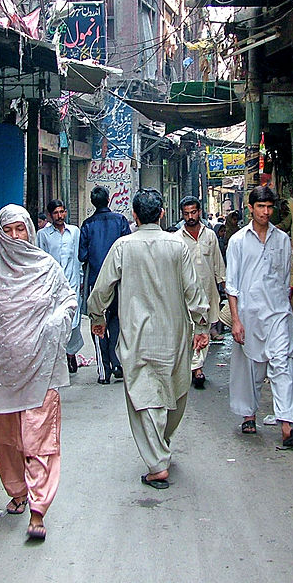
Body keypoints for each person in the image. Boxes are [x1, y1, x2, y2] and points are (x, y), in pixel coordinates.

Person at [0, 205, 77, 541]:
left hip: (41, 371)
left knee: (39, 439)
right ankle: (17, 491)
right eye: (9, 231)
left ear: (30, 232)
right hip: (0, 373)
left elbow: (68, 300)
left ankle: (38, 508)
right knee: (5, 440)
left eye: (21, 229)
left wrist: (56, 321)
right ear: (0, 233)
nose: (16, 237)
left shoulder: (46, 269)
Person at [87, 188, 209, 489]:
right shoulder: (178, 246)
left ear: (135, 216)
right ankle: (161, 448)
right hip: (175, 332)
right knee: (175, 390)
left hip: (136, 334)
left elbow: (101, 290)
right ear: (163, 214)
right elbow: (193, 290)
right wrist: (202, 326)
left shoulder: (123, 246)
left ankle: (157, 461)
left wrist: (98, 317)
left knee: (143, 396)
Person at [226, 186, 293, 448]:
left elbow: (285, 279)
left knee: (283, 364)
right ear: (250, 208)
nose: (265, 212)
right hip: (249, 315)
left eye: (269, 207)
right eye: (260, 207)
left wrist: (286, 309)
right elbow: (232, 284)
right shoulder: (238, 241)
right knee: (252, 368)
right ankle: (249, 414)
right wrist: (236, 321)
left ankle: (287, 425)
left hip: (278, 314)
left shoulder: (281, 239)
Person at [78, 185, 130, 384]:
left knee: (98, 324)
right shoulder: (120, 221)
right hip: (119, 282)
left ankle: (103, 371)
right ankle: (118, 363)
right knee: (118, 321)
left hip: (96, 283)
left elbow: (81, 255)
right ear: (109, 200)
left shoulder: (87, 225)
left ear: (93, 203)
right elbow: (127, 248)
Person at [174, 195, 226, 389]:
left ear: (199, 212)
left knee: (203, 329)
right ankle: (191, 367)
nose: (190, 217)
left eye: (193, 212)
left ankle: (198, 369)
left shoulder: (210, 235)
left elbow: (217, 263)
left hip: (207, 291)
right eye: (186, 214)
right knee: (187, 330)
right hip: (184, 294)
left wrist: (223, 285)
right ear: (182, 215)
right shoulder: (177, 239)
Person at [37, 200, 83, 373]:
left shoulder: (74, 232)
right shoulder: (43, 235)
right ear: (50, 215)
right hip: (52, 285)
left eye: (62, 212)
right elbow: (40, 259)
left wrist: (80, 281)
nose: (59, 216)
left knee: (73, 321)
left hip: (72, 284)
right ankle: (59, 357)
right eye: (56, 213)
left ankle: (71, 354)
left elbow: (78, 258)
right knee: (55, 321)